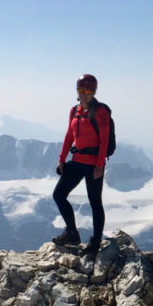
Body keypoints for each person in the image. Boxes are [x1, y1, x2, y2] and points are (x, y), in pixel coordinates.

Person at [52, 73, 109, 252]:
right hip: (76, 161)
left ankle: (96, 242)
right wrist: (62, 159)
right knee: (59, 195)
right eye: (80, 89)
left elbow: (105, 140)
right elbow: (69, 136)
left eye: (87, 90)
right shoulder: (74, 111)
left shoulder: (100, 112)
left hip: (93, 164)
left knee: (95, 203)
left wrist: (100, 165)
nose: (83, 93)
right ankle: (72, 233)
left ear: (93, 91)